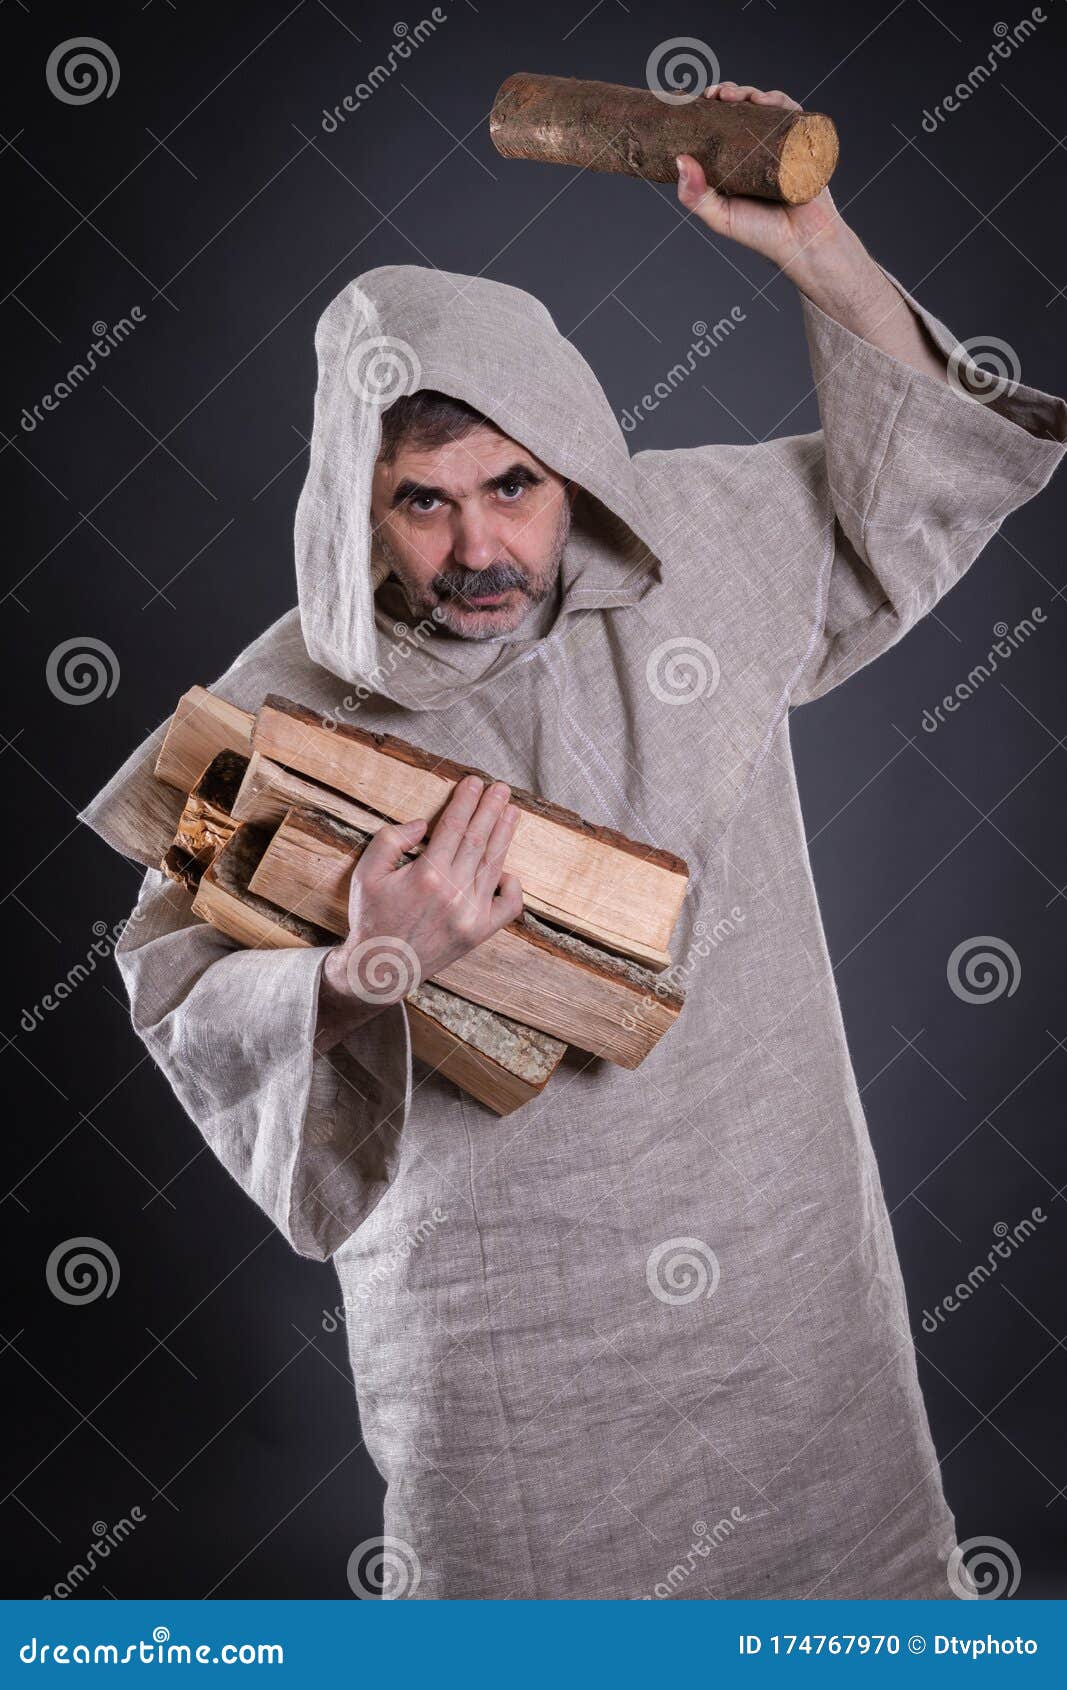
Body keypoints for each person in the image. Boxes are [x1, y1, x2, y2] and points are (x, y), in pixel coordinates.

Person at [80, 83, 1066, 1600]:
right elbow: (178, 1004)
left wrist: (817, 248)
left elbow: (920, 483)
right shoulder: (269, 712)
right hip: (507, 1348)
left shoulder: (699, 552)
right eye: (423, 501)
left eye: (515, 489)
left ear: (576, 475)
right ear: (357, 503)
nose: (480, 550)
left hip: (781, 1281)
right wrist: (372, 959)